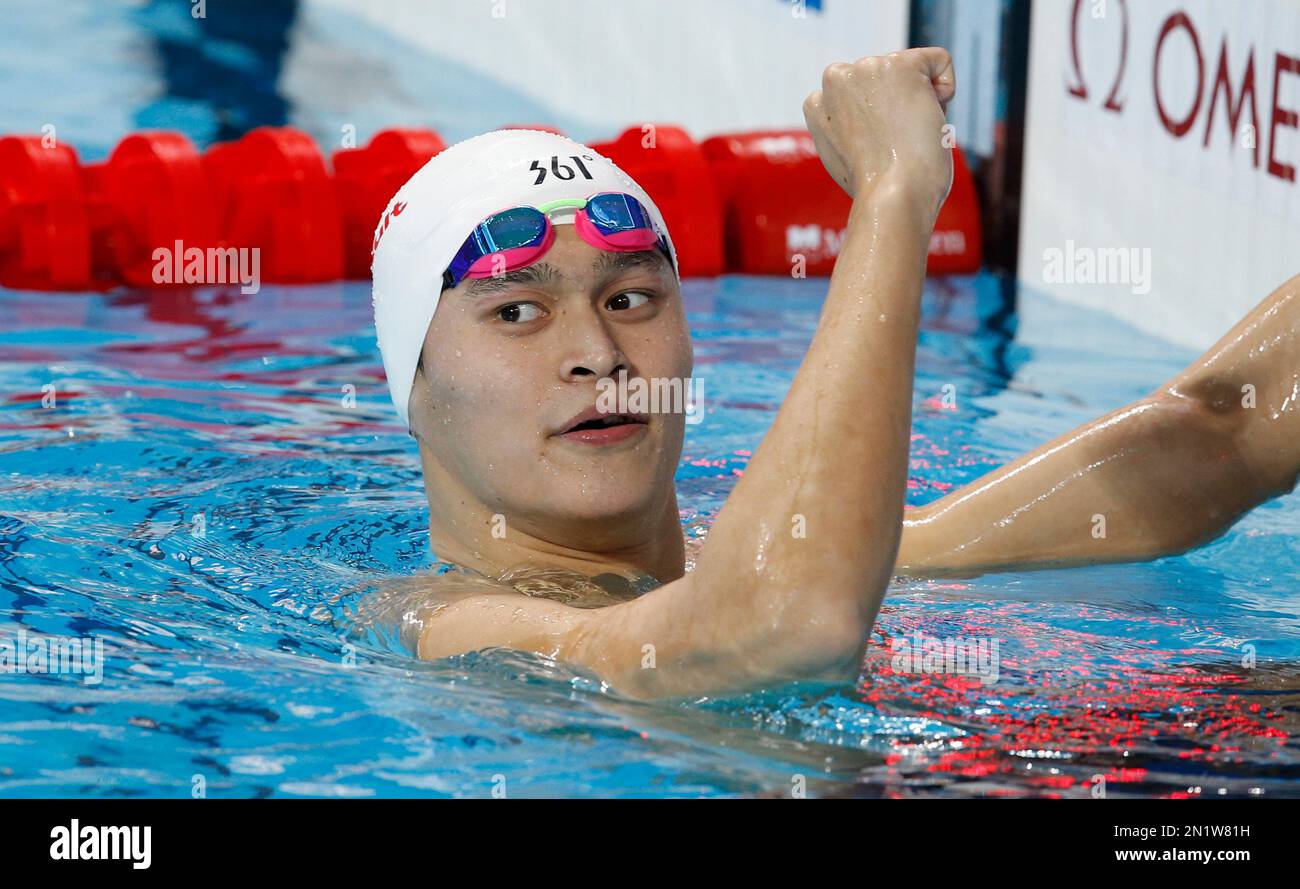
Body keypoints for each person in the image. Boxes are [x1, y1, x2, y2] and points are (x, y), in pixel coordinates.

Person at [366, 47, 1300, 700]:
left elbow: (1217, 436)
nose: (598, 356)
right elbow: (787, 625)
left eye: (631, 298)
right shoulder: (461, 633)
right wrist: (894, 197)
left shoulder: (819, 543)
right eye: (516, 313)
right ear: (407, 384)